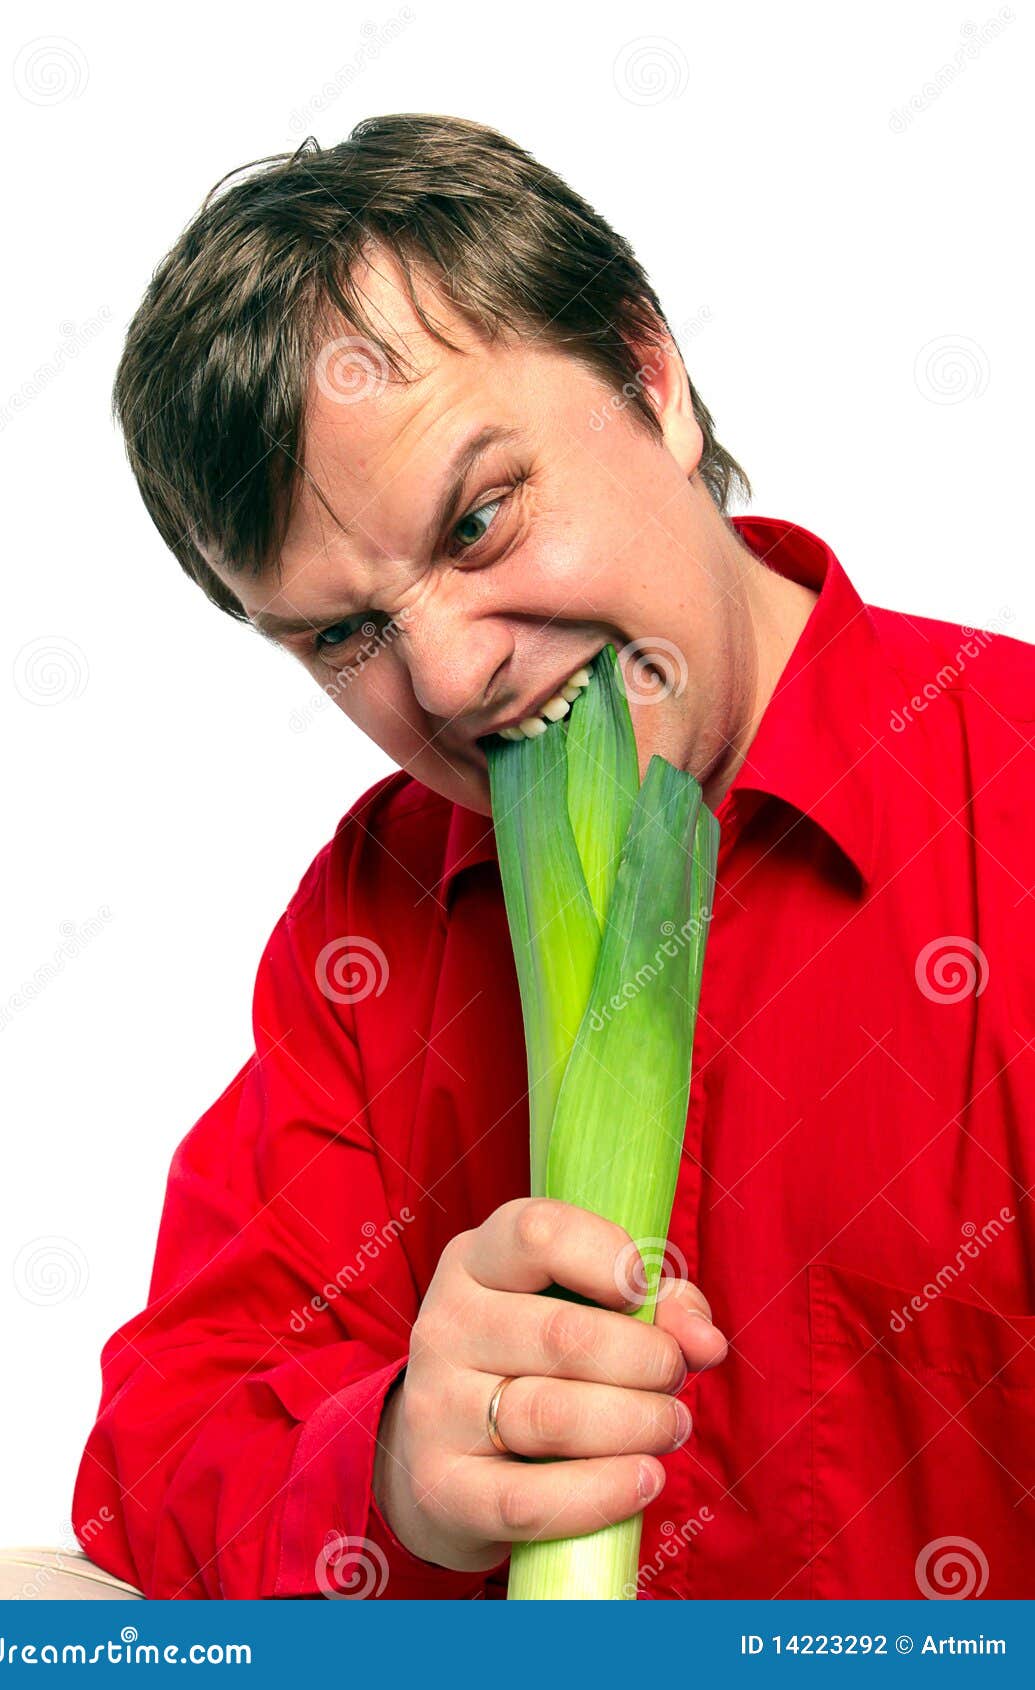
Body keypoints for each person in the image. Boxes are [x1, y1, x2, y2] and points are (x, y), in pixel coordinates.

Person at [69, 113, 1035, 1601]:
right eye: (344, 633)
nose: (448, 679)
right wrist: (393, 1465)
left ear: (653, 382)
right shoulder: (372, 923)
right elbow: (161, 1443)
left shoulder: (1007, 797)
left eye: (478, 519)